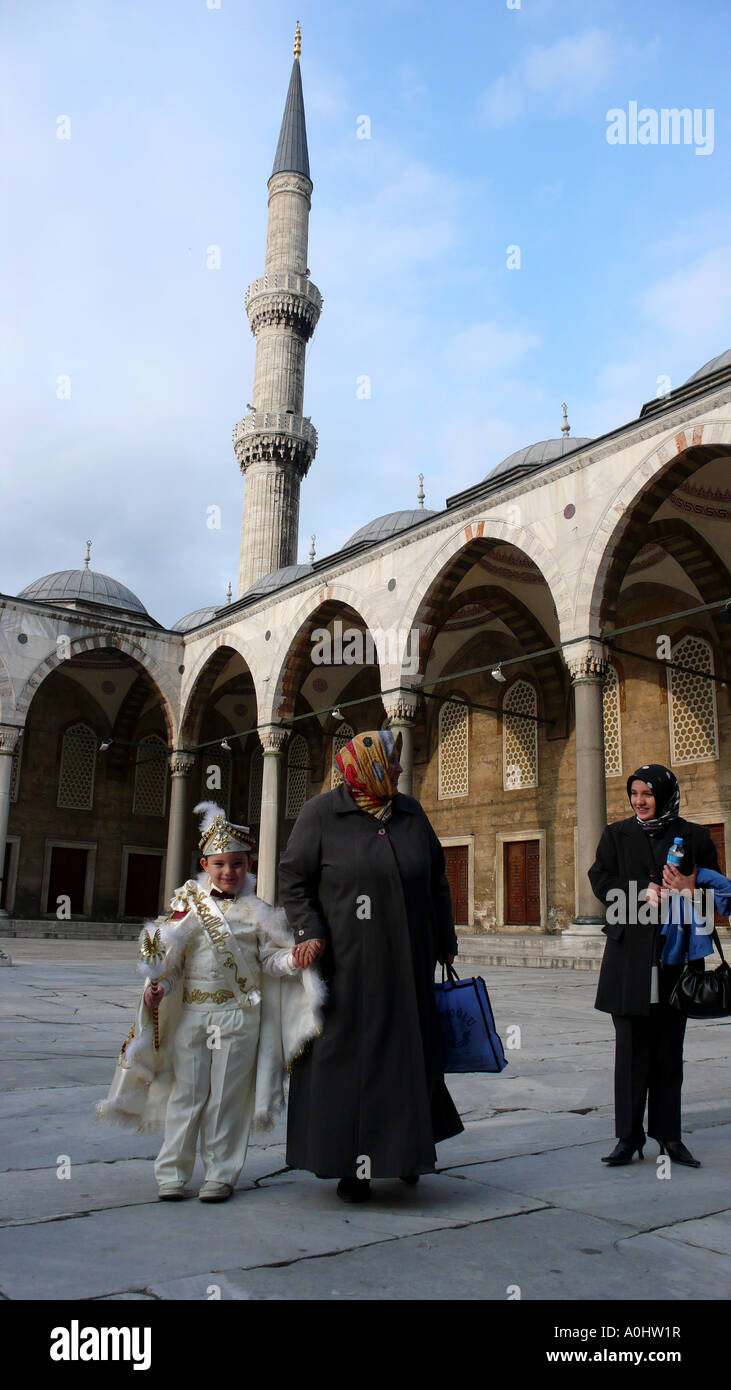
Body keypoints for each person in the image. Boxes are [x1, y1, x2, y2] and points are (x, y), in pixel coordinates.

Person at [97, 801, 324, 1202]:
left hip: (240, 1016)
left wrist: (294, 958)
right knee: (187, 1094)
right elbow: (171, 964)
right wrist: (158, 988)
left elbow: (268, 961)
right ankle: (172, 1173)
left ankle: (220, 1173)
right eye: (220, 864)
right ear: (206, 864)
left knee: (227, 1099)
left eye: (237, 864)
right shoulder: (187, 908)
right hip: (193, 1014)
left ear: (248, 865)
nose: (229, 872)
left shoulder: (259, 913)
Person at [278, 728, 464, 1203]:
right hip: (348, 965)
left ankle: (404, 1154)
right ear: (367, 767)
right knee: (351, 1062)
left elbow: (437, 880)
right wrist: (309, 932)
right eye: (392, 761)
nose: (400, 769)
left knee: (408, 1059)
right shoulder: (322, 814)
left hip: (409, 960)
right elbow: (294, 879)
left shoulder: (410, 812)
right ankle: (351, 1166)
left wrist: (444, 938)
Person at [589, 764, 720, 1168]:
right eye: (635, 793)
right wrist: (636, 891)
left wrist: (687, 890)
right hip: (629, 957)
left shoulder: (695, 836)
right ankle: (628, 1137)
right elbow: (600, 880)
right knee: (630, 1051)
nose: (640, 801)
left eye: (647, 794)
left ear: (664, 795)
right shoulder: (616, 834)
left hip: (674, 957)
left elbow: (715, 897)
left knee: (668, 1049)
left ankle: (670, 1136)